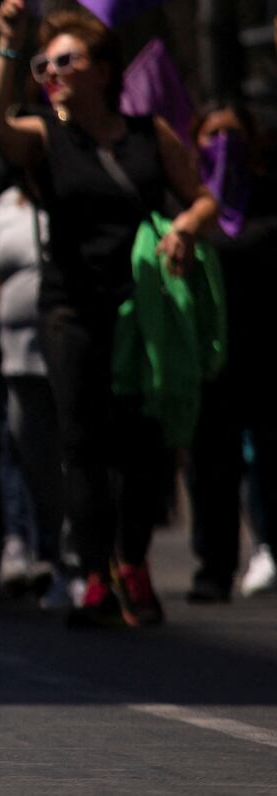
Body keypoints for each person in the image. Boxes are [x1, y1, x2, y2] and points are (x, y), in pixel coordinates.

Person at [0, 0, 220, 628]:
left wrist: (186, 229)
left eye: (64, 60)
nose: (51, 73)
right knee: (82, 441)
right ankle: (92, 576)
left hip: (139, 308)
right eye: (43, 64)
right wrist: (9, 42)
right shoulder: (46, 134)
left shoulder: (150, 135)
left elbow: (201, 199)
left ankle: (132, 561)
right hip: (71, 310)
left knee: (140, 442)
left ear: (104, 69)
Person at [0, 181, 69, 608]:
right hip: (17, 362)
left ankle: (71, 559)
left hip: (69, 354)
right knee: (24, 452)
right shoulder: (4, 203)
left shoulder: (72, 191)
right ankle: (27, 543)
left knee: (72, 455)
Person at [185, 99, 277, 602]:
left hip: (266, 353)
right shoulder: (190, 205)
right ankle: (214, 566)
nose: (222, 145)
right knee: (211, 466)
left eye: (232, 134)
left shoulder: (267, 198)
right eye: (211, 135)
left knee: (270, 457)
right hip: (211, 358)